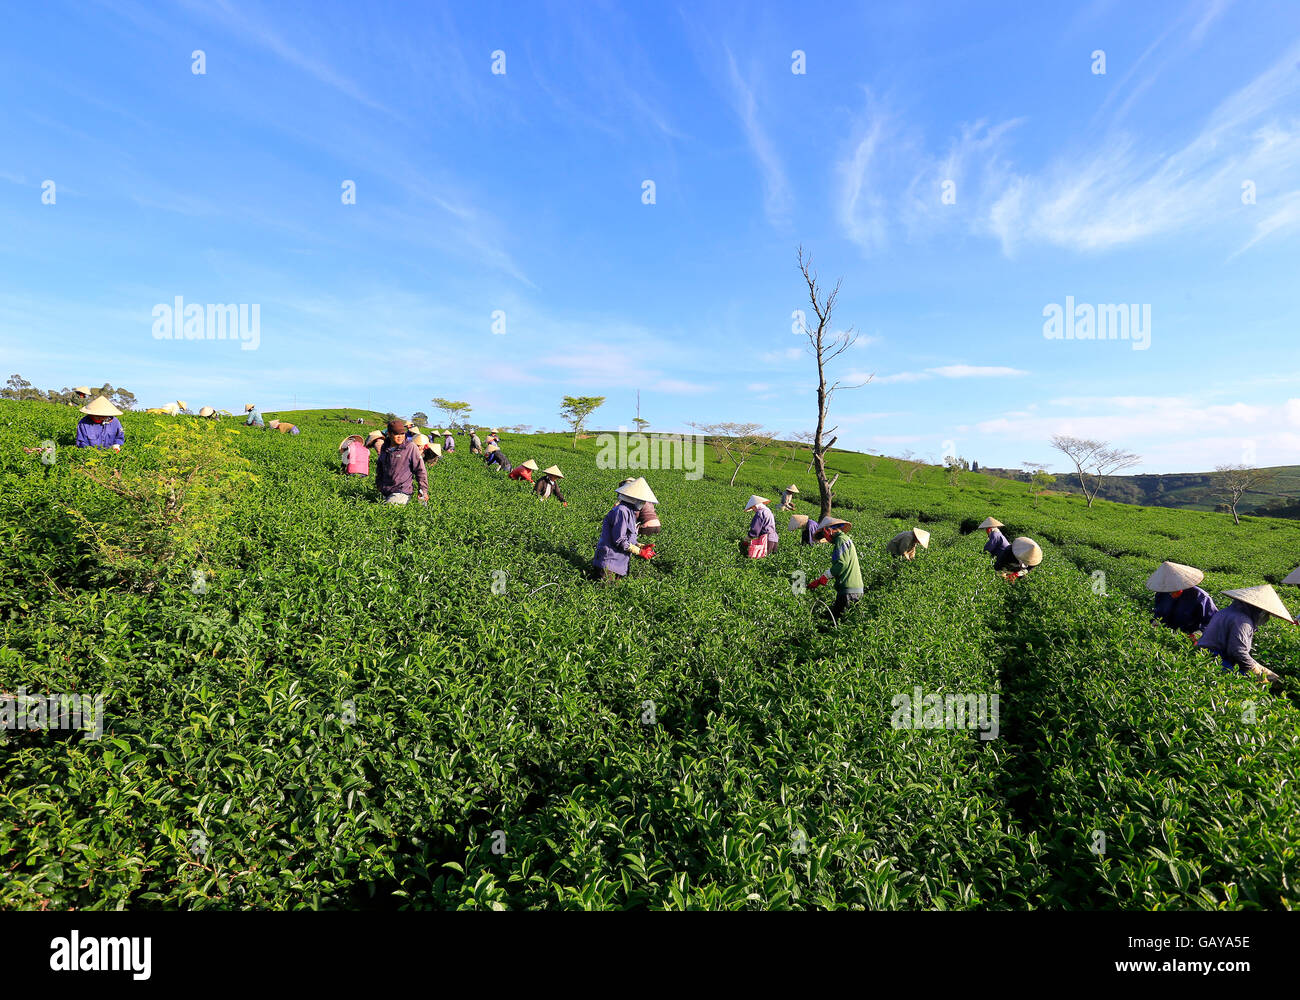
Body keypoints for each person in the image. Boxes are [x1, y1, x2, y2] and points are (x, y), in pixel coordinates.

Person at [1197, 586, 1293, 688]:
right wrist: (1259, 675)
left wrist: (1265, 671)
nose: (1267, 617)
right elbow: (1237, 652)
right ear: (1260, 610)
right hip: (1216, 660)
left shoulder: (1227, 611)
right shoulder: (1242, 620)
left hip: (1205, 656)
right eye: (1267, 614)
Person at [591, 479, 657, 582]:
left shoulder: (630, 512)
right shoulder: (621, 511)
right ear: (633, 498)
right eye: (641, 500)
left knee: (613, 593)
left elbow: (627, 537)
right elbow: (619, 539)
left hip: (619, 564)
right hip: (609, 562)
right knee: (605, 592)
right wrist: (638, 551)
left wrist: (640, 545)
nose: (643, 503)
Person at [806, 517, 862, 623]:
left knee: (837, 622)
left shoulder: (841, 540)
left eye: (825, 535)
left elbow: (842, 564)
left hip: (849, 589)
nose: (826, 539)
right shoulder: (844, 540)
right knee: (846, 621)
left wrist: (825, 576)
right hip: (853, 588)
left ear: (829, 530)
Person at [1146, 561, 1218, 637]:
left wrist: (1198, 633)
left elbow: (1213, 622)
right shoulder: (1162, 593)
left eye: (1174, 590)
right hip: (1167, 635)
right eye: (1169, 590)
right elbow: (1159, 614)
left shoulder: (1201, 597)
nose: (1171, 593)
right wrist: (1155, 622)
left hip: (1189, 638)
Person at [375, 418, 428, 505]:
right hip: (386, 490)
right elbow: (380, 467)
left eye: (402, 433)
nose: (400, 437)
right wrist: (379, 484)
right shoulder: (385, 447)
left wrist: (423, 490)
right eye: (396, 434)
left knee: (387, 511)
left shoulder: (410, 447)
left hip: (402, 491)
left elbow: (420, 470)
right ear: (389, 434)